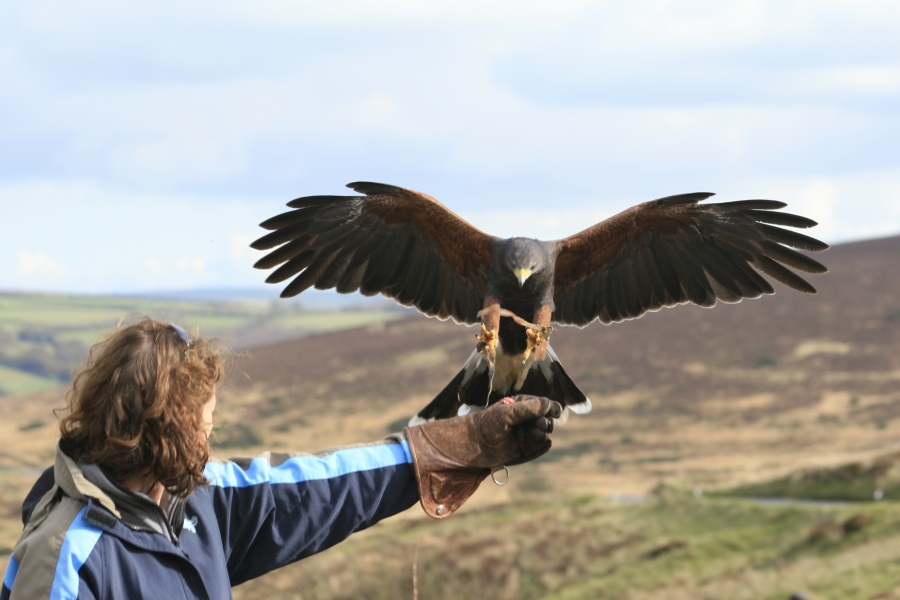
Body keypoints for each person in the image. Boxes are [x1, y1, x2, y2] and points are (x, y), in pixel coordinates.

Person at [1, 318, 560, 599]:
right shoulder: (67, 559)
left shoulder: (195, 500)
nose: (212, 428)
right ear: (165, 427)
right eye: (204, 416)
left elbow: (324, 488)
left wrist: (461, 443)